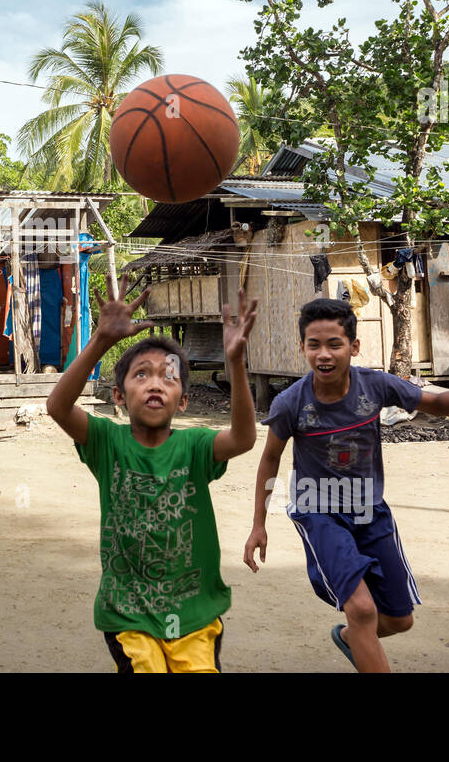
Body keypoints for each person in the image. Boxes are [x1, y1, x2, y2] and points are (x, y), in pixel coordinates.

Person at [243, 298, 449, 672]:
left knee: (400, 619)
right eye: (313, 344)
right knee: (363, 610)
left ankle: (352, 638)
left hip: (370, 509)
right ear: (301, 347)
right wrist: (259, 523)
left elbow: (434, 402)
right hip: (318, 510)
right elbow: (269, 459)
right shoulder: (292, 403)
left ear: (354, 347)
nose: (324, 354)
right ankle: (360, 631)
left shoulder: (375, 385)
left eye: (334, 344)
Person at [47, 277, 260, 673]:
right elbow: (58, 407)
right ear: (118, 396)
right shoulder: (107, 442)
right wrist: (101, 342)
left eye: (169, 377)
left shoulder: (195, 447)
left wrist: (236, 362)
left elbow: (245, 438)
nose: (156, 384)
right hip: (128, 612)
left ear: (183, 401)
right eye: (141, 375)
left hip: (194, 611)